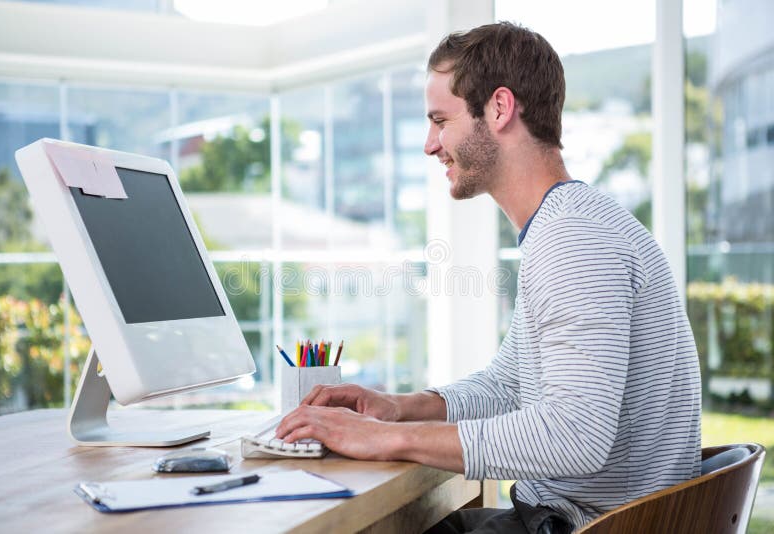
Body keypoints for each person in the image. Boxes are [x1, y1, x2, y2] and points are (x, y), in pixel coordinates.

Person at [275, 21, 702, 534]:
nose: (430, 145)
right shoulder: (566, 224)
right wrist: (398, 409)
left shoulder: (574, 239)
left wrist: (385, 439)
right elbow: (510, 386)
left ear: (499, 108)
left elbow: (575, 435)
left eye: (440, 120)